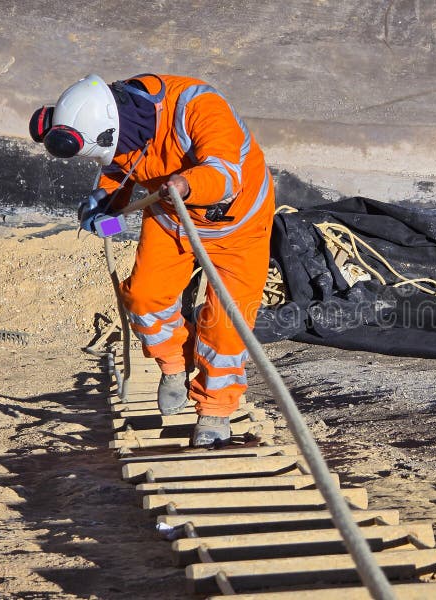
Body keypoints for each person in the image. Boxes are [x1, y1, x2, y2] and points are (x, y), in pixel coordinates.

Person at [29, 73, 274, 446]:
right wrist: (106, 204)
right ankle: (174, 365)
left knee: (225, 323)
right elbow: (120, 167)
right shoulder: (124, 117)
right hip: (170, 216)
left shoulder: (198, 107)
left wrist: (188, 184)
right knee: (143, 296)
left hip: (236, 227)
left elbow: (226, 174)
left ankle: (214, 412)